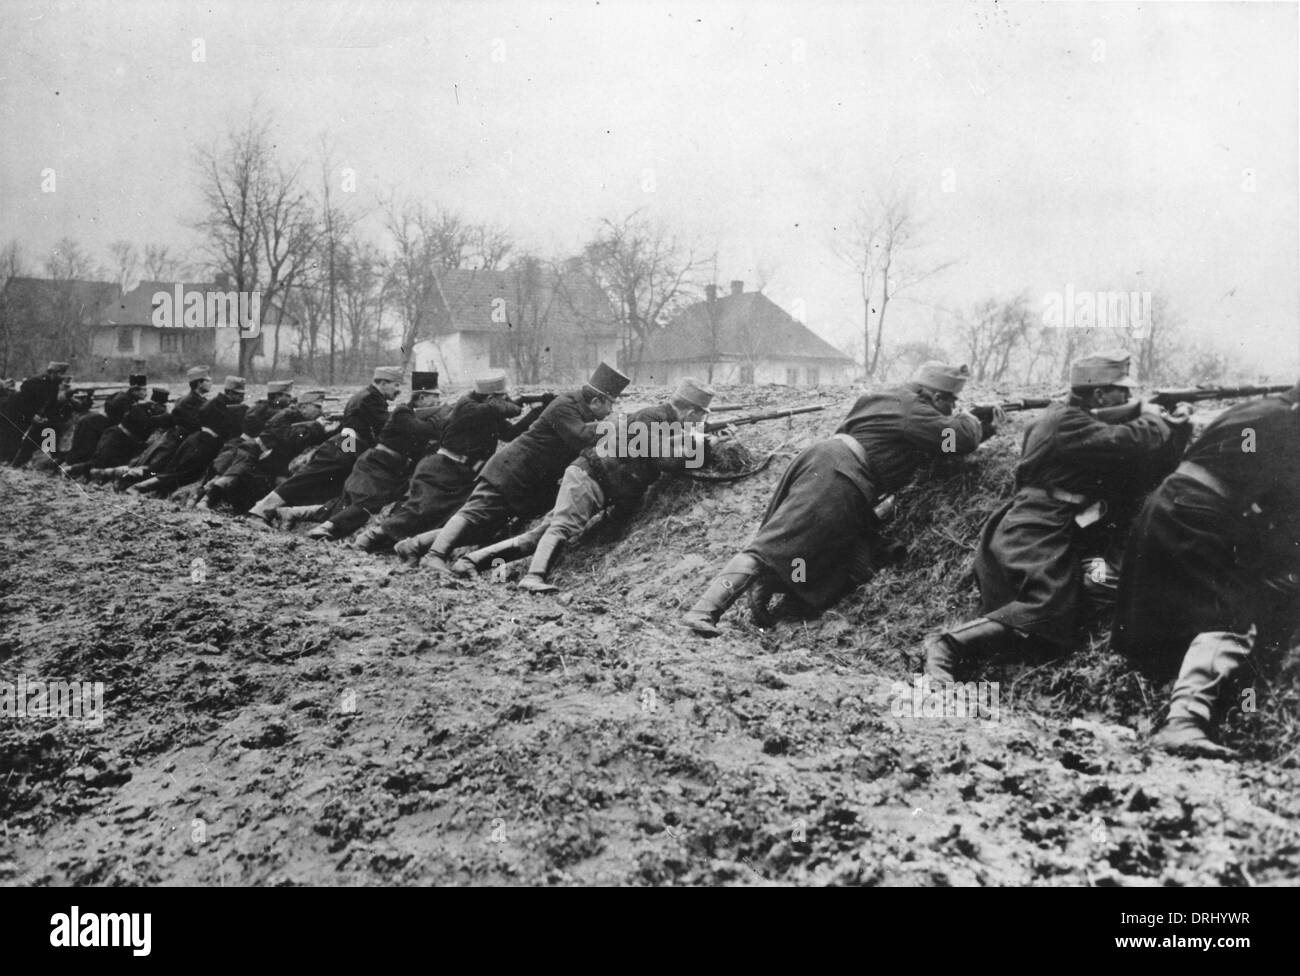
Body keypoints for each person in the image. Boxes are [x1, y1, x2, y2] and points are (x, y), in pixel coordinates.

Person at [921, 354, 1192, 682]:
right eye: (1122, 392)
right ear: (1100, 396)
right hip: (1035, 528)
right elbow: (1131, 441)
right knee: (1046, 607)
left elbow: (1141, 462)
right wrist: (1155, 417)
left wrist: (1179, 427)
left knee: (1101, 588)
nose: (1129, 399)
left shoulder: (1075, 420)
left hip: (1063, 526)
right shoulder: (1065, 422)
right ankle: (946, 646)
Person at [681, 361, 998, 637]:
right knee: (774, 545)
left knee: (843, 559)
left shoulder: (888, 399)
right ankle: (703, 611)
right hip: (840, 475)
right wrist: (971, 419)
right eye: (950, 403)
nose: (949, 410)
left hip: (831, 468)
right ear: (935, 395)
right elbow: (955, 439)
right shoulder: (911, 407)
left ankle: (770, 589)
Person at [1111, 380, 1300, 758]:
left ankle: (1157, 705)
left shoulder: (1255, 411)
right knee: (1231, 615)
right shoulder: (1285, 424)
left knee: (1197, 605)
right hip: (1200, 511)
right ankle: (1183, 723)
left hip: (1169, 503)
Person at [455, 377, 716, 592]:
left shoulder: (662, 420)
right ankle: (533, 577)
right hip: (588, 479)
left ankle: (471, 561)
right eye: (700, 418)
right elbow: (664, 461)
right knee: (561, 527)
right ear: (691, 412)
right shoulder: (653, 418)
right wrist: (704, 446)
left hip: (591, 482)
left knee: (541, 534)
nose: (699, 423)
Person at [395, 362, 629, 571]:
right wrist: (614, 427)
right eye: (609, 405)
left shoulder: (578, 409)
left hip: (524, 479)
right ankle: (435, 556)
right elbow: (579, 436)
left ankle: (413, 546)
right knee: (474, 512)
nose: (610, 411)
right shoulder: (565, 405)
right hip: (510, 470)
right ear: (596, 400)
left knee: (482, 527)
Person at [353, 370, 539, 552]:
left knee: (448, 516)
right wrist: (518, 402)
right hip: (443, 469)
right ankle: (371, 537)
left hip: (463, 473)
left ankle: (411, 546)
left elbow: (511, 433)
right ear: (491, 397)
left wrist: (538, 410)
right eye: (502, 396)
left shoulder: (486, 410)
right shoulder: (469, 405)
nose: (505, 399)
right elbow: (502, 409)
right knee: (419, 512)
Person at [247, 366, 398, 522]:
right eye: (396, 385)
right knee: (303, 480)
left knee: (325, 486)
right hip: (344, 446)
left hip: (345, 445)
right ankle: (261, 510)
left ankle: (289, 516)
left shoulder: (365, 396)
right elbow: (383, 426)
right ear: (382, 383)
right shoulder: (371, 398)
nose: (398, 390)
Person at [306, 373, 445, 540]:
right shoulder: (402, 412)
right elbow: (425, 430)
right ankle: (326, 528)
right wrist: (443, 417)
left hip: (381, 464)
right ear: (422, 397)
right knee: (366, 502)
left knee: (351, 502)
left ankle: (294, 515)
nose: (438, 403)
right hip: (371, 461)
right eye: (435, 398)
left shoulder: (407, 412)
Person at [197, 390, 333, 512]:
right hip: (254, 452)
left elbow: (312, 440)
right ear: (303, 406)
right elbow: (289, 438)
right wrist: (317, 427)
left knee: (284, 487)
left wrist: (329, 430)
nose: (320, 411)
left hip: (275, 463)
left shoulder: (306, 421)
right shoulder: (284, 415)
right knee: (233, 476)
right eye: (317, 407)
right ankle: (205, 501)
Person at [128, 377, 247, 495]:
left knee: (177, 472)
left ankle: (152, 491)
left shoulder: (215, 402)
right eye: (239, 395)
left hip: (196, 440)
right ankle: (138, 488)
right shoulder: (221, 405)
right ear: (230, 393)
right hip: (203, 444)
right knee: (181, 473)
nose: (242, 399)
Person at [2, 361, 72, 465]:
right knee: (13, 436)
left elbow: (50, 405)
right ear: (52, 372)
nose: (62, 377)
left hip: (31, 416)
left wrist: (46, 418)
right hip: (16, 413)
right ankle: (8, 460)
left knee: (45, 431)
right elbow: (21, 402)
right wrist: (31, 415)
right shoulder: (35, 382)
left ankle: (19, 461)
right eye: (60, 373)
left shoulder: (54, 385)